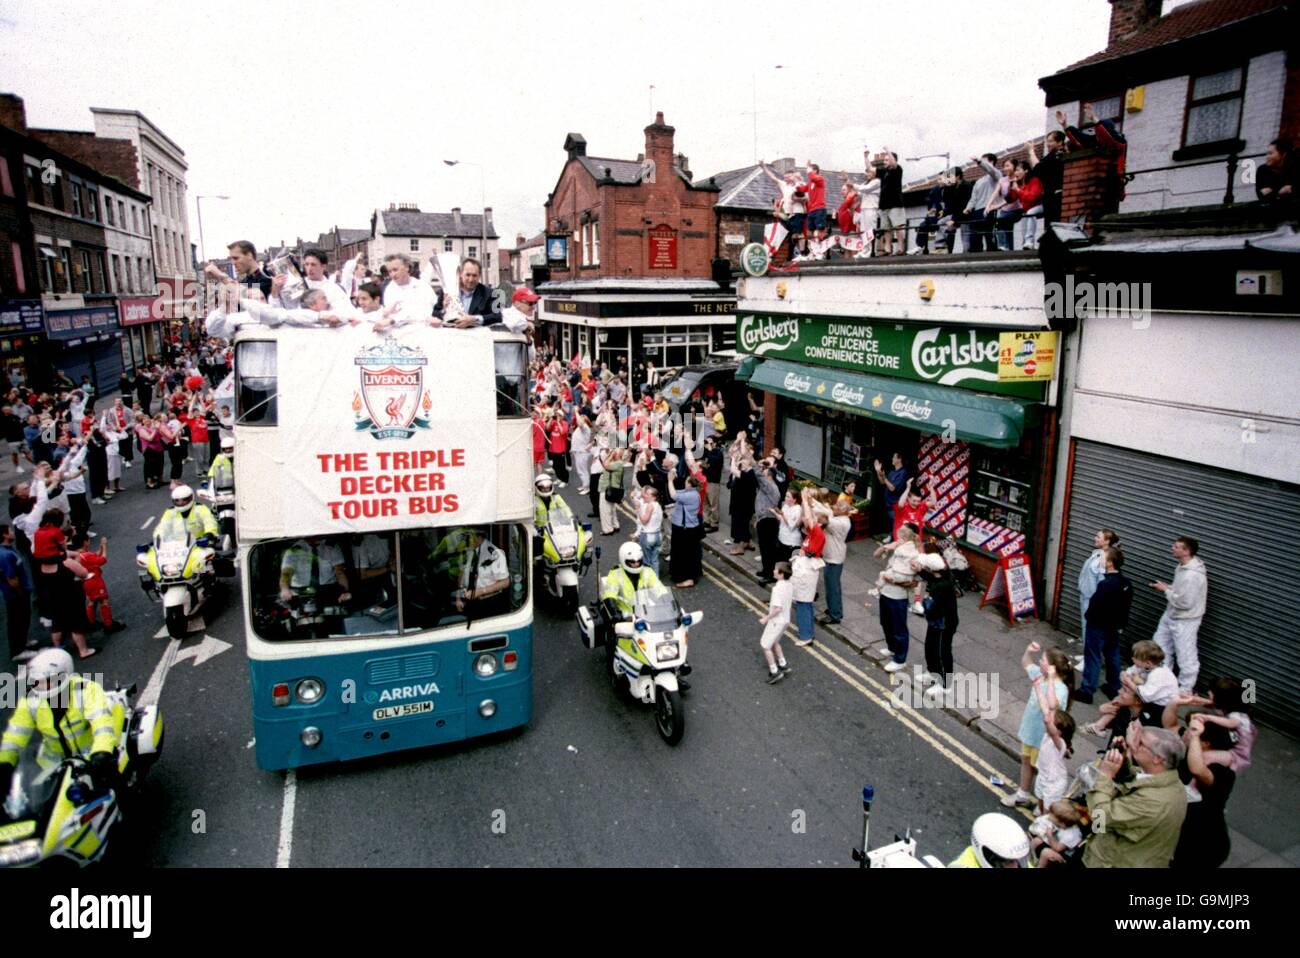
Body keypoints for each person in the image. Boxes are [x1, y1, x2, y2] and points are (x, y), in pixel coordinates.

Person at [0, 648, 121, 796]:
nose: (42, 686)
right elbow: (15, 734)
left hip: (92, 757)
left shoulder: (86, 689)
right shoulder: (30, 700)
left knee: (113, 787)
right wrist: (5, 763)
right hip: (54, 765)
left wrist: (101, 751)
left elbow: (102, 724)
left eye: (48, 681)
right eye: (38, 681)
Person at [1084, 723, 1188, 868]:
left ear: (1157, 759)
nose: (1132, 744)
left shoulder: (1153, 802)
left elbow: (1099, 819)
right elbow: (1140, 780)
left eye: (1139, 743)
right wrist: (1123, 763)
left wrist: (1104, 776)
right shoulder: (1172, 783)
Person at [1003, 642, 1071, 808]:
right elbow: (1026, 663)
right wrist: (1028, 651)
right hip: (1030, 731)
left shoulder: (1061, 688)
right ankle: (1022, 795)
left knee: (1043, 772)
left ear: (1052, 667)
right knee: (1026, 762)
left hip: (1044, 738)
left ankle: (1044, 806)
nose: (1039, 662)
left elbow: (1051, 705)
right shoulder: (1040, 675)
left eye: (1043, 660)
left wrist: (1049, 680)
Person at [1172, 715, 1237, 868]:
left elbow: (1198, 769)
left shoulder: (1222, 773)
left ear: (1206, 743)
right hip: (1182, 840)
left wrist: (1194, 735)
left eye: (1192, 731)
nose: (1186, 733)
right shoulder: (1187, 758)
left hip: (1204, 846)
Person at [1076, 545, 1132, 705]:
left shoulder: (1105, 585)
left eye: (1102, 558)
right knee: (1113, 655)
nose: (1099, 560)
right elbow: (1126, 606)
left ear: (1109, 563)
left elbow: (1095, 607)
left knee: (1093, 656)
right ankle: (1114, 686)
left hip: (1098, 626)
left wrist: (1089, 617)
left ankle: (1087, 690)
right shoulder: (1126, 583)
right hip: (1114, 627)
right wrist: (1121, 625)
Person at [1150, 536, 1207, 692]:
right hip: (1171, 615)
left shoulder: (1192, 575)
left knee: (1186, 655)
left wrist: (1165, 590)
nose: (1172, 548)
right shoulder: (1181, 567)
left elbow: (1185, 603)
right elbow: (1179, 591)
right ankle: (1163, 679)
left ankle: (1185, 689)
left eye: (1176, 546)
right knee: (1159, 647)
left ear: (1186, 551)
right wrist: (1167, 587)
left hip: (1186, 620)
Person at [69, 531, 125, 634]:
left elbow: (95, 555)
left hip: (85, 582)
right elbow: (102, 560)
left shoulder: (79, 555)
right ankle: (109, 625)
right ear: (85, 542)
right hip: (94, 581)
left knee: (92, 602)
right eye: (88, 540)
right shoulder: (87, 556)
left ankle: (89, 623)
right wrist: (104, 546)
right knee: (103, 601)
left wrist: (101, 548)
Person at [433, 257, 502, 328]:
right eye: (468, 275)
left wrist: (475, 319)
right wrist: (443, 310)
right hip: (451, 335)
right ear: (460, 274)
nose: (471, 279)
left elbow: (498, 316)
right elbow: (434, 314)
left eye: (474, 275)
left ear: (480, 276)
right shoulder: (446, 291)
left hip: (477, 336)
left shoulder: (490, 293)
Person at [1077, 528, 1120, 639]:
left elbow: (1102, 581)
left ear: (1107, 541)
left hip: (1091, 598)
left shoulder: (1104, 560)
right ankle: (1087, 653)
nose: (1095, 538)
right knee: (1085, 625)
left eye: (1098, 537)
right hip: (1087, 594)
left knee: (1088, 626)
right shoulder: (1098, 554)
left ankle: (1088, 655)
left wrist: (1096, 599)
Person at [0, 523, 35, 662]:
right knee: (17, 620)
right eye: (10, 531)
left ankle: (22, 642)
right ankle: (17, 650)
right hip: (15, 595)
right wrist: (21, 592)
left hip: (19, 592)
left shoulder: (8, 550)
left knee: (23, 618)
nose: (12, 532)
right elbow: (12, 579)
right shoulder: (5, 555)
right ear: (4, 535)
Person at [948, 813, 1031, 868]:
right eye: (1008, 862)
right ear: (991, 857)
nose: (1016, 866)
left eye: (1018, 860)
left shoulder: (1018, 858)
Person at [758, 561, 794, 684]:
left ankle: (774, 671)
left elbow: (778, 608)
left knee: (765, 645)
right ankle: (783, 664)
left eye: (775, 569)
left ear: (781, 574)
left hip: (777, 621)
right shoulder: (789, 585)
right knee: (775, 642)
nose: (773, 571)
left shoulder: (777, 589)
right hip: (786, 620)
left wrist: (766, 618)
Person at [665, 472, 702, 589]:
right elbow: (676, 492)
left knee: (685, 554)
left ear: (690, 484)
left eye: (686, 481)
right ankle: (679, 575)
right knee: (680, 552)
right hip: (682, 527)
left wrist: (670, 480)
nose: (684, 482)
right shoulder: (690, 492)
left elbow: (674, 496)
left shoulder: (691, 495)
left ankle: (688, 579)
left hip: (685, 530)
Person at [377, 253, 435, 327]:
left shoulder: (422, 287)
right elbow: (387, 314)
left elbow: (423, 313)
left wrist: (395, 318)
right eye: (390, 271)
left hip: (419, 331)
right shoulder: (389, 289)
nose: (392, 274)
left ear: (407, 267)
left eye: (395, 270)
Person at [1030, 800, 1086, 868]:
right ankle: (1031, 858)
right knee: (1037, 840)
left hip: (1065, 857)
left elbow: (1057, 849)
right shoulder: (1064, 825)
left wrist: (1049, 836)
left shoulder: (1070, 835)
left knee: (1046, 852)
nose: (1049, 815)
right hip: (1057, 845)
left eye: (1052, 814)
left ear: (1062, 823)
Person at [753, 459, 783, 586]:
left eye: (764, 472)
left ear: (769, 476)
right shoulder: (769, 487)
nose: (762, 473)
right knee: (764, 548)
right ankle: (766, 570)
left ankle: (770, 575)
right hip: (764, 519)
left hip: (768, 521)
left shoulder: (770, 486)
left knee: (768, 549)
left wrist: (752, 462)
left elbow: (758, 475)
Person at [155, 484, 219, 541]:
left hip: (200, 544)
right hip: (176, 547)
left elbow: (210, 523)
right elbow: (162, 527)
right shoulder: (170, 512)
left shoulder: (200, 508)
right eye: (177, 500)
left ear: (191, 497)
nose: (181, 503)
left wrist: (209, 534)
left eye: (184, 499)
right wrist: (157, 538)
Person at [876, 151, 905, 255]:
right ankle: (888, 249)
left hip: (895, 203)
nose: (885, 161)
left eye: (887, 159)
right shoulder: (884, 172)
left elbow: (893, 163)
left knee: (898, 226)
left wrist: (888, 150)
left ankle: (901, 248)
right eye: (884, 160)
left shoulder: (898, 169)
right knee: (886, 228)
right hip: (884, 205)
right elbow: (870, 169)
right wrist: (865, 156)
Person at [874, 453, 908, 535]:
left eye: (894, 457)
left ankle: (894, 542)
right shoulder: (892, 472)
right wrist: (878, 471)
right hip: (888, 503)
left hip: (895, 504)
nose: (892, 459)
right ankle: (890, 536)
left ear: (899, 459)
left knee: (896, 524)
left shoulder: (903, 473)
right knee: (890, 523)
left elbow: (892, 488)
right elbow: (882, 482)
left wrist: (884, 477)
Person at [633, 485, 663, 577]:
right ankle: (656, 582)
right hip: (658, 536)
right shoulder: (658, 505)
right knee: (655, 560)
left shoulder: (650, 506)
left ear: (654, 497)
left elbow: (644, 521)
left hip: (648, 536)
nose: (644, 495)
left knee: (646, 561)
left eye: (647, 494)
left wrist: (638, 510)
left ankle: (648, 583)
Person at [597, 446, 626, 536]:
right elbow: (604, 462)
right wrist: (610, 454)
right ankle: (615, 525)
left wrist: (610, 455)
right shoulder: (617, 463)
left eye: (614, 452)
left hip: (607, 489)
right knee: (611, 509)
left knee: (605, 510)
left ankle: (607, 529)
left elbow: (605, 465)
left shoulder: (618, 464)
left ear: (617, 454)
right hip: (611, 489)